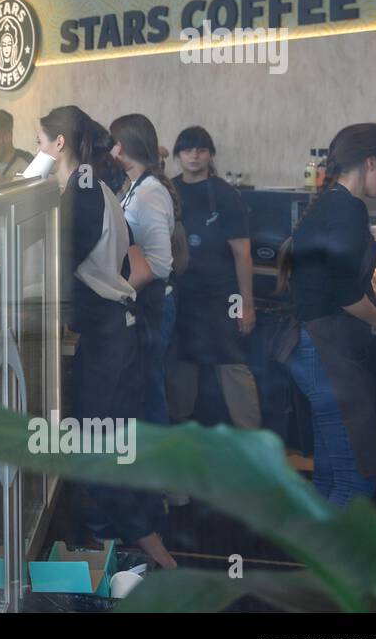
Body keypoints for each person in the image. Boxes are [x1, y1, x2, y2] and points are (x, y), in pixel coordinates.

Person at [37, 105, 174, 569]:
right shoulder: (99, 187)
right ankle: (126, 551)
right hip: (122, 330)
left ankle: (152, 553)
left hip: (109, 338)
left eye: (42, 139)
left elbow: (59, 264)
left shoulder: (80, 193)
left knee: (101, 452)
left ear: (58, 143)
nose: (38, 148)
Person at [278, 123, 376, 506]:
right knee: (357, 481)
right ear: (371, 162)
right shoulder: (348, 211)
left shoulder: (334, 204)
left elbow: (354, 288)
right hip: (327, 355)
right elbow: (347, 297)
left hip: (313, 348)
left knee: (331, 473)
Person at [168, 126, 262, 432]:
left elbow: (242, 254)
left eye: (201, 150)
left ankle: (252, 441)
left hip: (224, 295)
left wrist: (247, 305)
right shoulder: (167, 190)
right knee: (182, 365)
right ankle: (179, 436)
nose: (194, 155)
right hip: (182, 295)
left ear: (210, 155)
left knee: (232, 363)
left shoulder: (224, 193)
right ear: (178, 155)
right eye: (187, 149)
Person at [110, 114, 181, 427]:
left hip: (152, 304)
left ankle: (158, 470)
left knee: (150, 391)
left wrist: (116, 292)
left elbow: (160, 265)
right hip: (145, 303)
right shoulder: (136, 188)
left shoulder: (149, 192)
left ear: (120, 146)